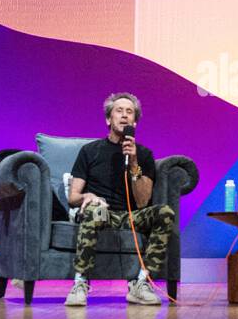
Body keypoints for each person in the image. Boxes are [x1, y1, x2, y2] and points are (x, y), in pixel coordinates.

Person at [64, 92, 176, 306]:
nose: (124, 116)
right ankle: (80, 283)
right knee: (92, 210)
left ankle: (141, 284)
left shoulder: (143, 154)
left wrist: (134, 163)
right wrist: (88, 196)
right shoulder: (90, 151)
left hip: (131, 215)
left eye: (129, 112)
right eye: (119, 111)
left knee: (165, 213)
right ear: (108, 119)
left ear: (135, 122)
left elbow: (143, 202)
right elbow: (73, 197)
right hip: (102, 211)